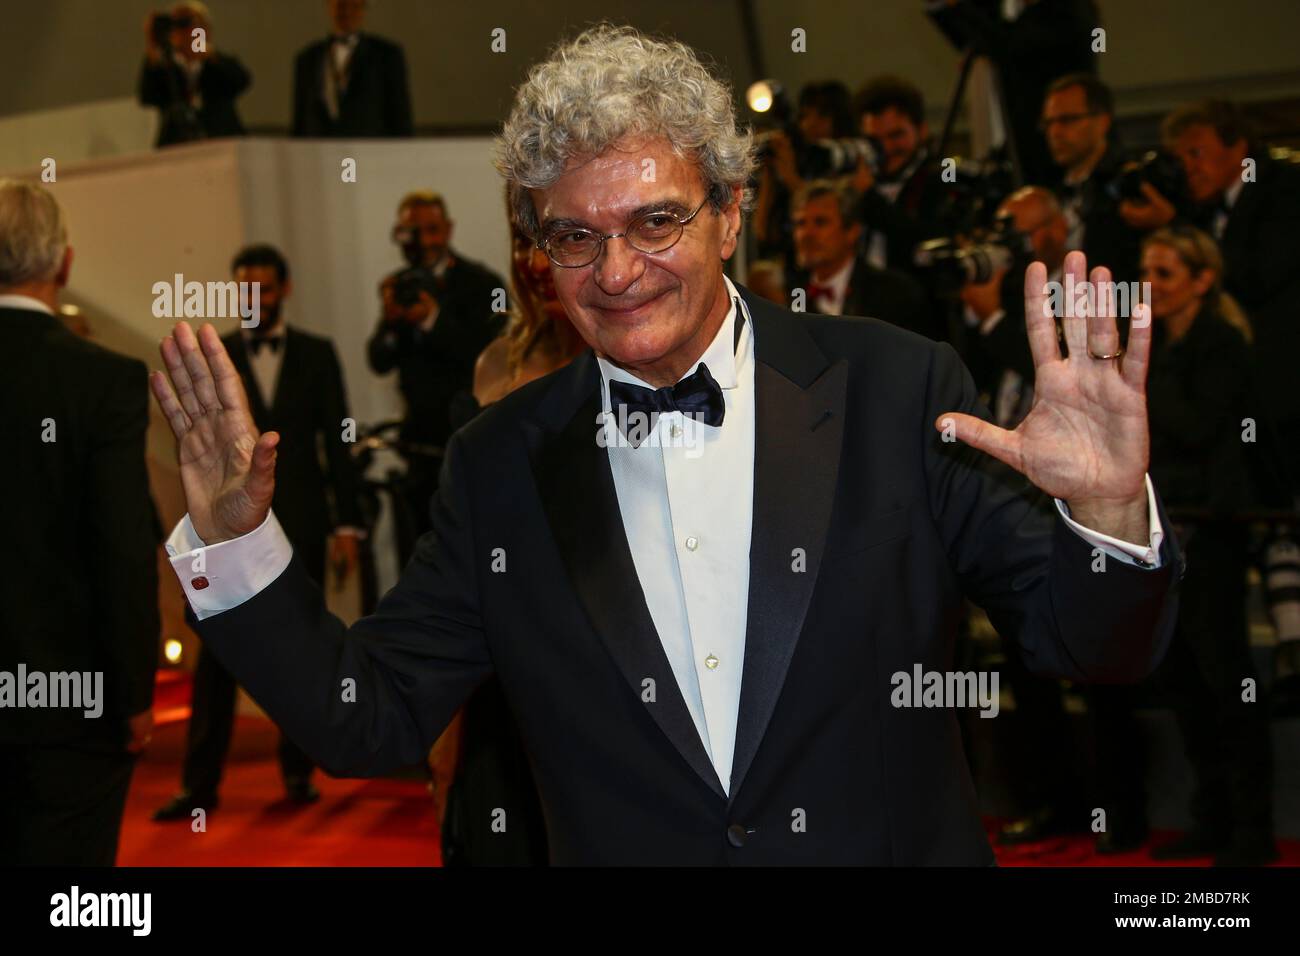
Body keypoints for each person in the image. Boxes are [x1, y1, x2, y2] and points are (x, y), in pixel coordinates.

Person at [150, 24, 1181, 866]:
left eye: (654, 222)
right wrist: (237, 543)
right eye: (574, 236)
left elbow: (1095, 648)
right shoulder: (499, 463)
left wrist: (1103, 512)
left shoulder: (896, 387)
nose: (615, 271)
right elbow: (364, 718)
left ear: (730, 214)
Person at [153, 244, 364, 821]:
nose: (254, 301)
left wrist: (348, 524)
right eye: (244, 290)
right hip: (232, 532)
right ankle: (198, 786)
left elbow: (336, 446)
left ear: (284, 289)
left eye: (264, 289)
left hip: (305, 524)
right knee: (220, 658)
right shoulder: (217, 359)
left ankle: (299, 773)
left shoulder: (317, 354)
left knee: (307, 649)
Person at [1093, 226, 1275, 865]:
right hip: (1163, 531)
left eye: (1166, 274)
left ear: (1203, 279)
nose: (1153, 287)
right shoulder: (1160, 346)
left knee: (1226, 681)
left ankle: (1251, 831)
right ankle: (1211, 816)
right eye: (1148, 272)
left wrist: (1131, 379)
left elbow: (1198, 429)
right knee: (1185, 682)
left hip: (1212, 531)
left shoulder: (1222, 343)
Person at [0, 180, 159, 865]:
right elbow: (120, 549)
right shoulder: (104, 380)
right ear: (63, 264)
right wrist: (133, 693)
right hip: (74, 704)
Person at [439, 201, 586, 867]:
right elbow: (460, 553)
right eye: (522, 241)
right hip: (496, 674)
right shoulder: (495, 365)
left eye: (557, 239)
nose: (532, 261)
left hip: (600, 673)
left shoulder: (641, 366)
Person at [365, 191, 505, 562]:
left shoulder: (483, 283)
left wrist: (431, 320)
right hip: (419, 451)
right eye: (412, 232)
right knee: (420, 557)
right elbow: (379, 360)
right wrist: (394, 322)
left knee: (473, 556)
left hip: (470, 444)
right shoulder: (401, 286)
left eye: (431, 230)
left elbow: (491, 355)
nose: (423, 241)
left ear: (447, 231)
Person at [787, 180, 936, 340]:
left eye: (820, 222)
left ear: (852, 231)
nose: (806, 235)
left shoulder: (896, 294)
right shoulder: (786, 294)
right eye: (800, 223)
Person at [1041, 73, 1141, 285]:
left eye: (1067, 120)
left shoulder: (1131, 185)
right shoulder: (1050, 192)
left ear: (1102, 122)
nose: (1055, 132)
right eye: (1049, 123)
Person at [848, 75, 948, 277]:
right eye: (874, 140)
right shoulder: (854, 178)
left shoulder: (946, 174)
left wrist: (869, 197)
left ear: (922, 130)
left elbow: (929, 239)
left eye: (896, 135)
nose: (886, 148)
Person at [292, 0, 413, 138]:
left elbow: (402, 122)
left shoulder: (388, 57)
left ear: (363, 7)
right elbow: (299, 125)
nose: (347, 12)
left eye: (354, 5)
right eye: (341, 5)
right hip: (318, 157)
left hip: (370, 156)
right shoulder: (307, 59)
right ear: (329, 5)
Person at [138, 2, 250, 148]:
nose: (185, 31)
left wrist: (206, 53)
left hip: (222, 141)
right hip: (177, 146)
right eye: (178, 25)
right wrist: (153, 48)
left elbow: (241, 81)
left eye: (189, 23)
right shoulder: (166, 69)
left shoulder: (217, 63)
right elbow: (147, 96)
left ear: (206, 29)